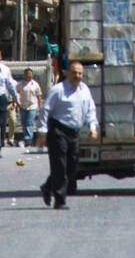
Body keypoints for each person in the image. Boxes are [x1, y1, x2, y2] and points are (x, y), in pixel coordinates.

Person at [36, 62, 98, 210]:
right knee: (59, 165)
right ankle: (60, 200)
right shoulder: (58, 90)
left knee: (72, 167)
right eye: (74, 73)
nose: (77, 76)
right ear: (67, 73)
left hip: (74, 132)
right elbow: (45, 110)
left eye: (80, 73)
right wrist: (42, 133)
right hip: (58, 131)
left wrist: (93, 127)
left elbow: (90, 109)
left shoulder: (84, 90)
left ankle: (47, 186)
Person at [18, 68, 43, 149]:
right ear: (24, 75)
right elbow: (16, 94)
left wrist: (40, 107)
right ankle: (26, 139)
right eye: (27, 73)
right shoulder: (20, 84)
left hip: (32, 106)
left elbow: (39, 96)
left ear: (32, 75)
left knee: (29, 123)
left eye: (30, 73)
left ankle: (28, 140)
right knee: (24, 123)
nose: (28, 75)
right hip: (22, 106)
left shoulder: (35, 84)